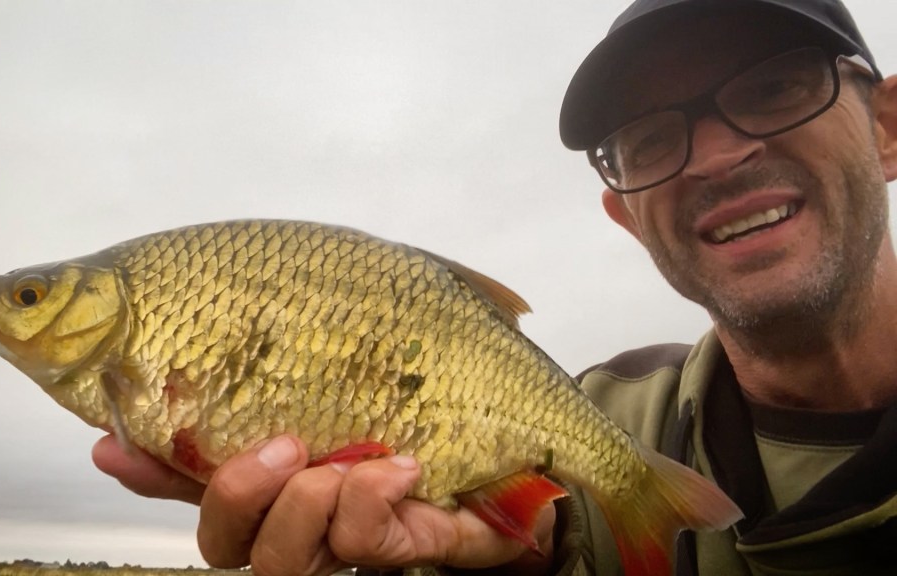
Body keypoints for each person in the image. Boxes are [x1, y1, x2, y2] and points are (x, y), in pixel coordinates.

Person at [91, 0, 897, 574]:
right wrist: (522, 556)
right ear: (628, 217)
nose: (719, 157)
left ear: (888, 127)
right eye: (654, 138)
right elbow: (542, 517)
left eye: (773, 89)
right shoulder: (603, 414)